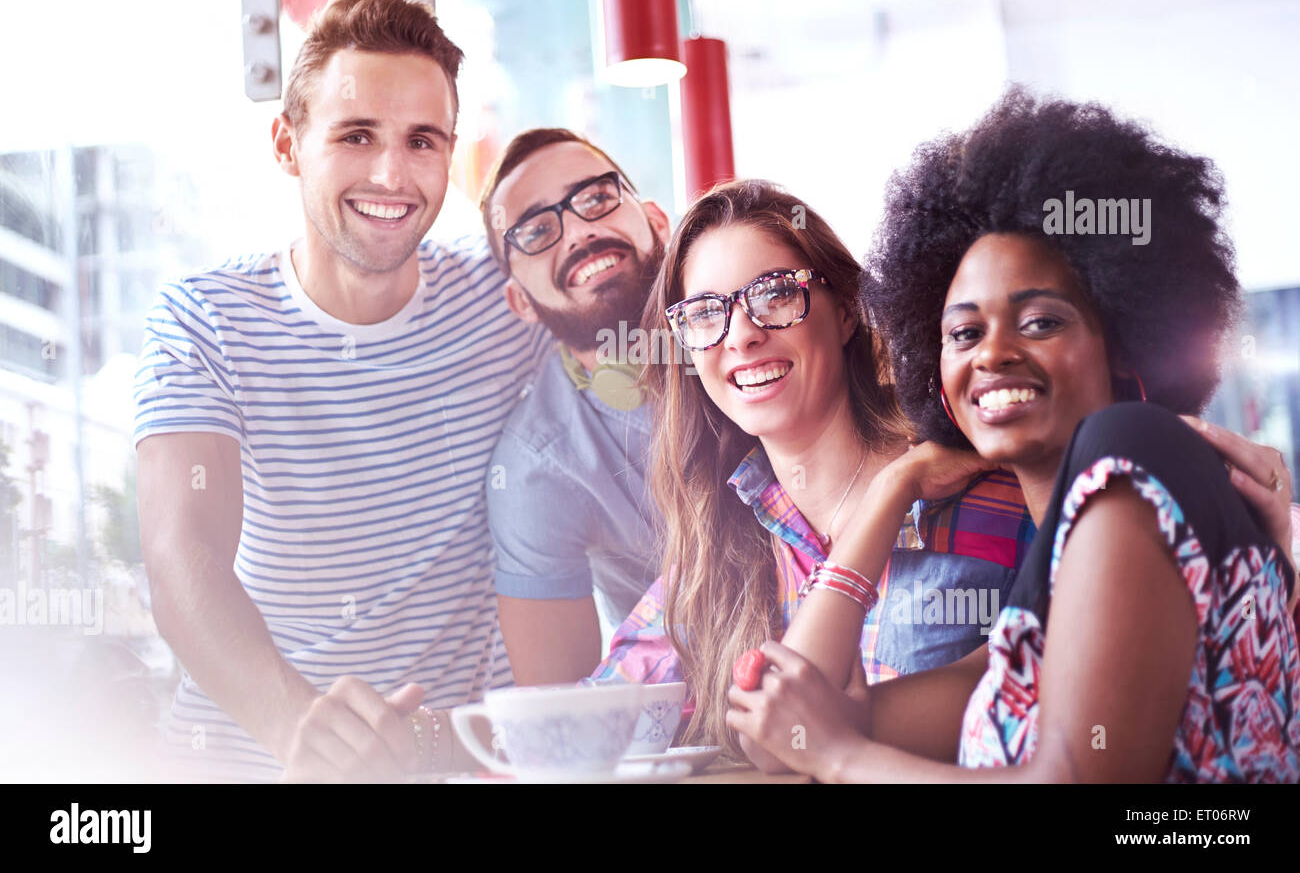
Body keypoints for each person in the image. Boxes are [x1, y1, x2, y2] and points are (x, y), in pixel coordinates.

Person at [727, 90, 1300, 782]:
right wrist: (893, 487)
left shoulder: (1133, 454)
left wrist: (845, 760)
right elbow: (788, 733)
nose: (992, 354)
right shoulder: (1037, 609)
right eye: (964, 333)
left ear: (1123, 345)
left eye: (1040, 323)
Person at [133, 0, 547, 782]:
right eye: (356, 135)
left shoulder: (504, 299)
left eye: (421, 141)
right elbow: (180, 554)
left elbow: (639, 358)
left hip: (454, 769)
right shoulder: (203, 319)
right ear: (288, 144)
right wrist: (303, 733)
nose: (392, 174)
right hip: (248, 765)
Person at [593, 180, 1043, 763]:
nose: (743, 334)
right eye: (706, 313)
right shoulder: (720, 541)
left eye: (776, 295)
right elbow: (600, 716)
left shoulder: (994, 489)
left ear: (848, 310)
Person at [476, 129, 671, 685]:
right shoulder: (535, 468)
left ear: (656, 220)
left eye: (596, 199)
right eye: (537, 231)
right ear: (521, 301)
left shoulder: (760, 321)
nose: (581, 232)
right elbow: (564, 713)